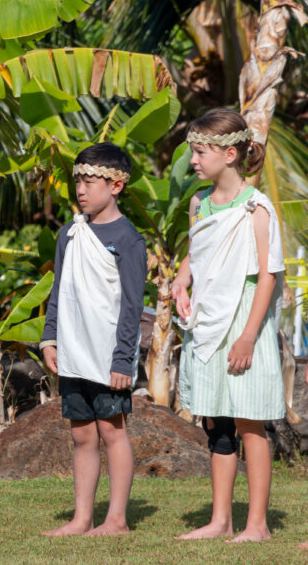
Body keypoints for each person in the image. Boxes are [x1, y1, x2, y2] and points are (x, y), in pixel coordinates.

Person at [174, 109, 285, 542]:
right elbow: (197, 250)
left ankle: (257, 525)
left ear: (230, 154)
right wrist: (182, 279)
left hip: (243, 320)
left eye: (200, 152)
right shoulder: (198, 203)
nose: (193, 161)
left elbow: (268, 274)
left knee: (249, 421)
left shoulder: (256, 207)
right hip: (207, 319)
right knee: (216, 422)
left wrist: (249, 336)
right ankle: (220, 521)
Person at [38, 143, 147, 537]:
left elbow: (132, 305)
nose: (81, 189)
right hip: (74, 351)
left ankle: (116, 520)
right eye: (78, 181)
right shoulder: (69, 233)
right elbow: (59, 289)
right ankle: (81, 518)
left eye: (90, 181)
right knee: (81, 434)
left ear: (116, 185)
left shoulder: (129, 239)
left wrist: (122, 359)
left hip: (107, 355)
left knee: (112, 431)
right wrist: (49, 338)